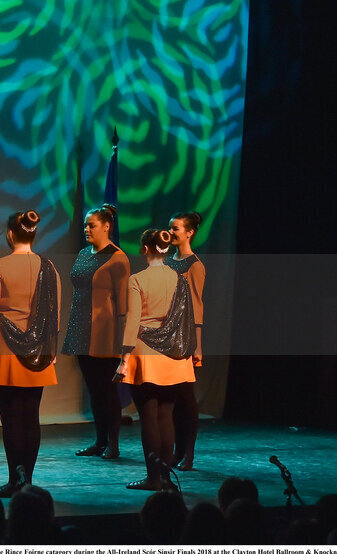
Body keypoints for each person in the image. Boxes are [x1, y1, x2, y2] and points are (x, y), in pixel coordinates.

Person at [0, 210, 61, 497]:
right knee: (30, 416)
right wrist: (51, 346)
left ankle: (16, 480)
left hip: (4, 347)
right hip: (39, 350)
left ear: (11, 234)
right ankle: (27, 482)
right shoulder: (49, 267)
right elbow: (54, 311)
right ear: (33, 233)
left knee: (11, 419)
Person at [116, 228, 196, 490]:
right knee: (166, 415)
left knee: (148, 416)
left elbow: (133, 321)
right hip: (173, 355)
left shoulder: (137, 280)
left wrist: (124, 357)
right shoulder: (179, 279)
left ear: (145, 249)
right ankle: (164, 477)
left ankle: (154, 478)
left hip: (145, 353)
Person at [61, 203, 130, 459]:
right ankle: (100, 441)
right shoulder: (83, 253)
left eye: (91, 225)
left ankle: (113, 442)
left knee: (106, 388)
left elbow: (123, 304)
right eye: (85, 225)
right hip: (81, 326)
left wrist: (124, 341)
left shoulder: (117, 258)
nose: (86, 229)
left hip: (104, 331)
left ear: (106, 227)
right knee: (93, 387)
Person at [165, 210, 206, 469]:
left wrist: (197, 345)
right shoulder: (168, 262)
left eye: (176, 228)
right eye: (170, 227)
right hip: (166, 335)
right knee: (172, 398)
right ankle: (176, 451)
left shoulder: (194, 265)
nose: (171, 232)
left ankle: (187, 452)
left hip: (185, 336)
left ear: (189, 232)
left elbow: (197, 307)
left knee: (185, 396)